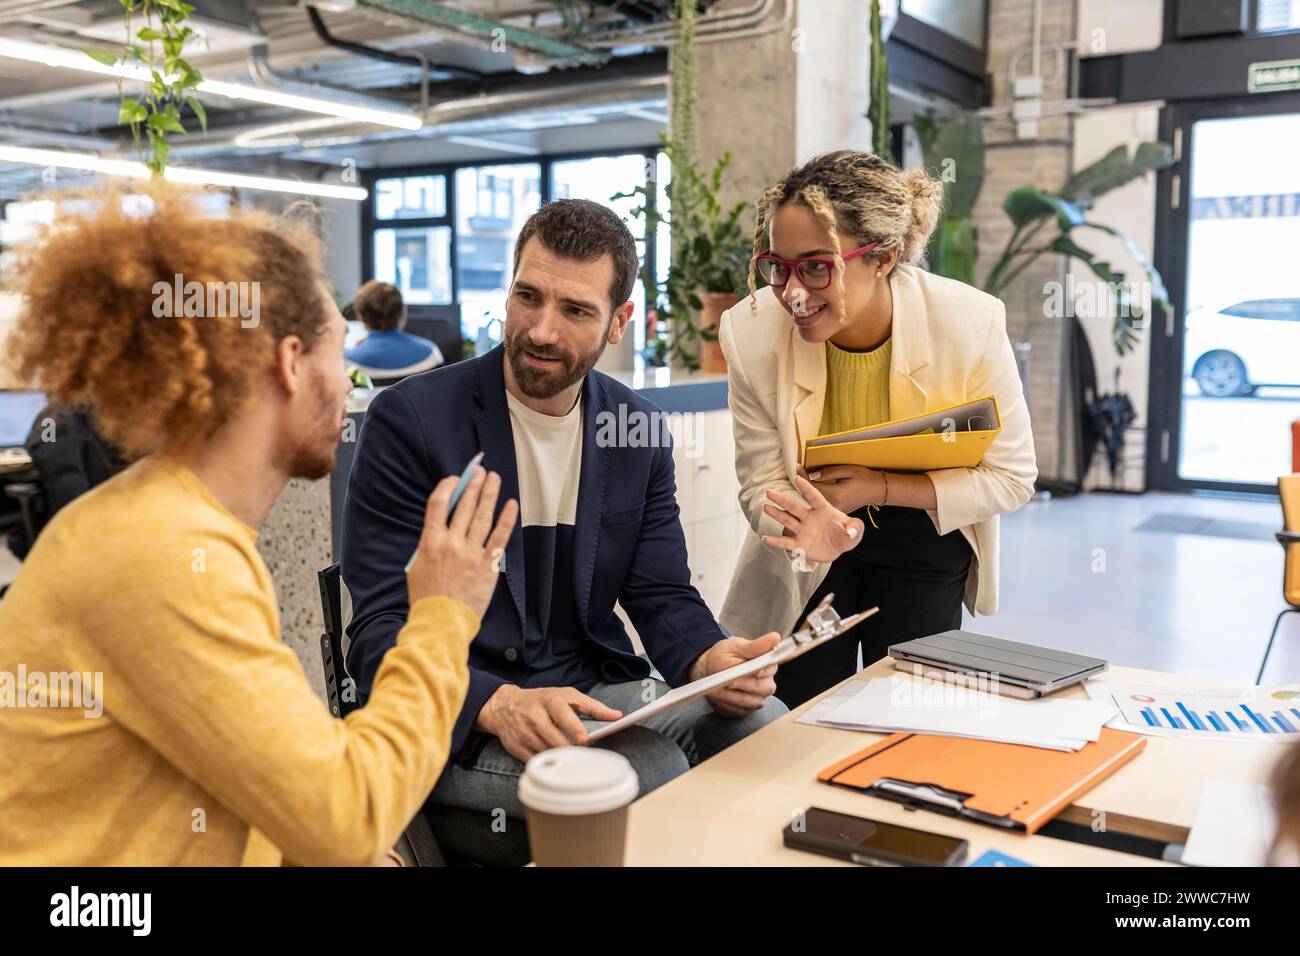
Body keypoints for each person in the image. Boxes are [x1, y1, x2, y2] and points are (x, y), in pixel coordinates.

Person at [0, 187, 517, 866]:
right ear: (291, 362)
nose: (349, 381)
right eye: (339, 351)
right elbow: (346, 815)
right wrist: (444, 613)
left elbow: (246, 774)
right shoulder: (163, 552)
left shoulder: (177, 525)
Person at [344, 198, 787, 843]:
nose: (542, 330)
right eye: (528, 296)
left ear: (618, 321)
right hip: (453, 709)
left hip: (584, 691)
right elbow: (378, 631)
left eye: (576, 309)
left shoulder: (634, 429)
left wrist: (708, 659)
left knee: (765, 725)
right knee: (650, 770)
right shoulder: (411, 422)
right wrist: (497, 703)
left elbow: (660, 592)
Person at [719, 150, 1038, 709]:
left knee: (911, 717)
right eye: (778, 265)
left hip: (927, 530)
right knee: (798, 718)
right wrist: (800, 527)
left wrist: (877, 487)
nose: (792, 291)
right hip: (810, 534)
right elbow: (758, 481)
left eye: (817, 266)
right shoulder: (750, 331)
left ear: (884, 258)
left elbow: (1011, 476)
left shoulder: (969, 322)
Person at [343, 279, 442, 379]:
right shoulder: (432, 354)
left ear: (361, 316)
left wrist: (357, 350)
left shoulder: (348, 363)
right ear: (402, 312)